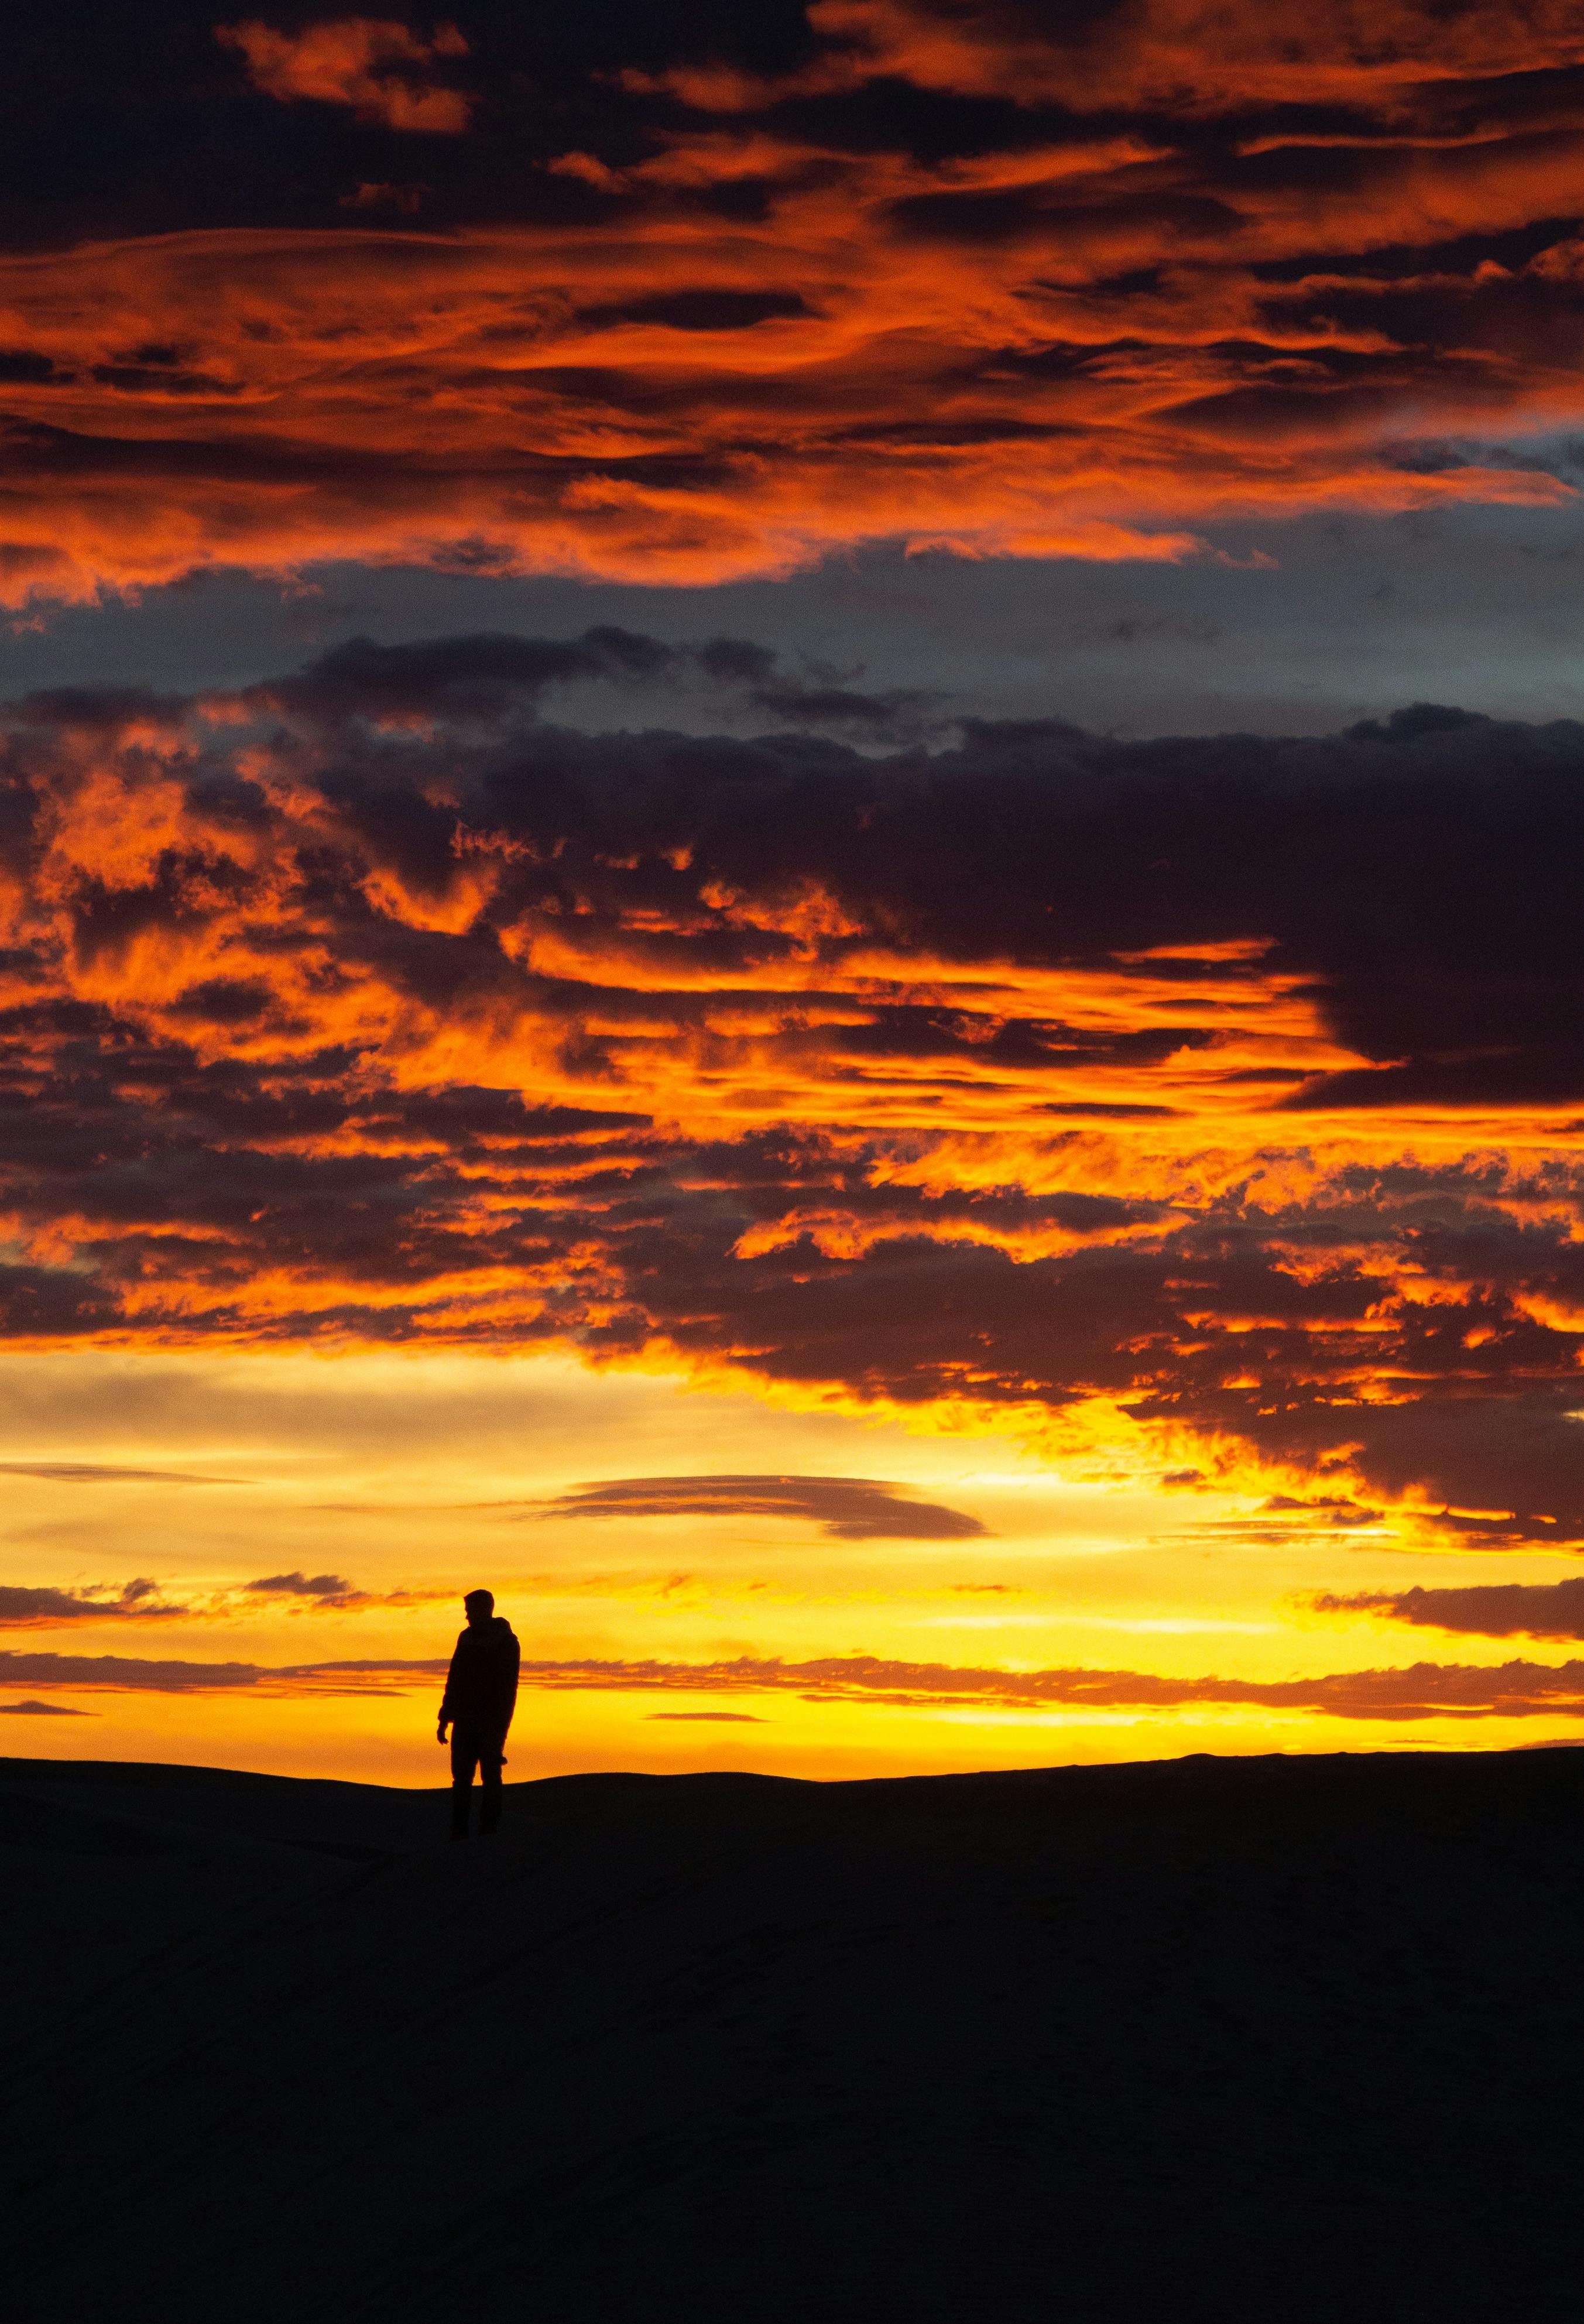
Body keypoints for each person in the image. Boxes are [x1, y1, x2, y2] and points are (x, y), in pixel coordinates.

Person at [437, 1589, 520, 1840]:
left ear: (484, 1609)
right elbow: (455, 1680)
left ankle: (489, 1833)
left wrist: (500, 1728)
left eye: (470, 1610)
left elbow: (508, 1688)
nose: (467, 1616)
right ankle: (459, 1832)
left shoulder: (505, 1641)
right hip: (464, 1721)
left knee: (490, 1778)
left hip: (490, 1723)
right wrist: (444, 1718)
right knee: (461, 1780)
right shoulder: (465, 1639)